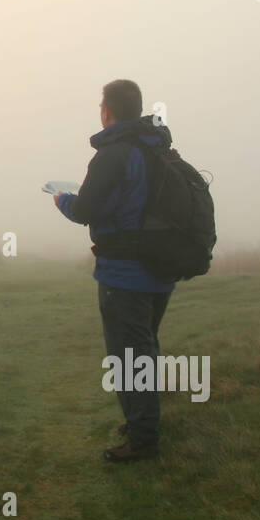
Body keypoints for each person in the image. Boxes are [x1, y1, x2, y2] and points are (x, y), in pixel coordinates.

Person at [53, 79, 174, 462]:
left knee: (128, 358)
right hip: (161, 269)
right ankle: (141, 422)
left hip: (124, 274)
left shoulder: (113, 154)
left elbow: (86, 210)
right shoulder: (157, 149)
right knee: (143, 350)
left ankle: (143, 441)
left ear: (108, 111)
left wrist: (61, 200)